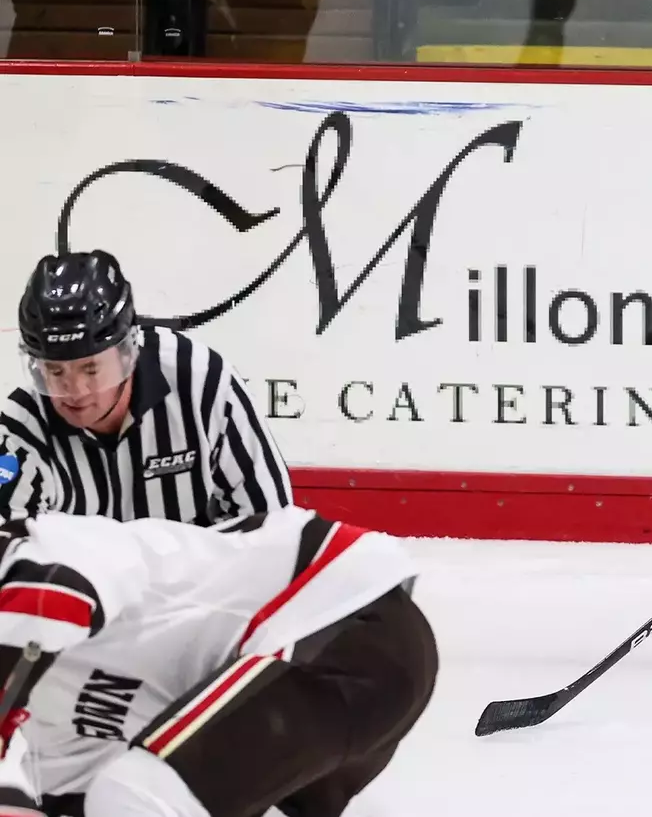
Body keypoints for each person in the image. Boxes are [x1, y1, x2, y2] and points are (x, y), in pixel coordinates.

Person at [0, 504, 435, 817]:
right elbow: (74, 795)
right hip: (307, 707)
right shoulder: (44, 716)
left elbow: (50, 594)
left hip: (340, 621)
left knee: (134, 795)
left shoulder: (46, 546)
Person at [0, 250, 292, 524]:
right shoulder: (20, 428)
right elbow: (11, 557)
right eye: (55, 370)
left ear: (127, 353)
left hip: (201, 575)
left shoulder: (204, 384)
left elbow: (273, 526)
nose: (75, 390)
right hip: (74, 578)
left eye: (91, 369)